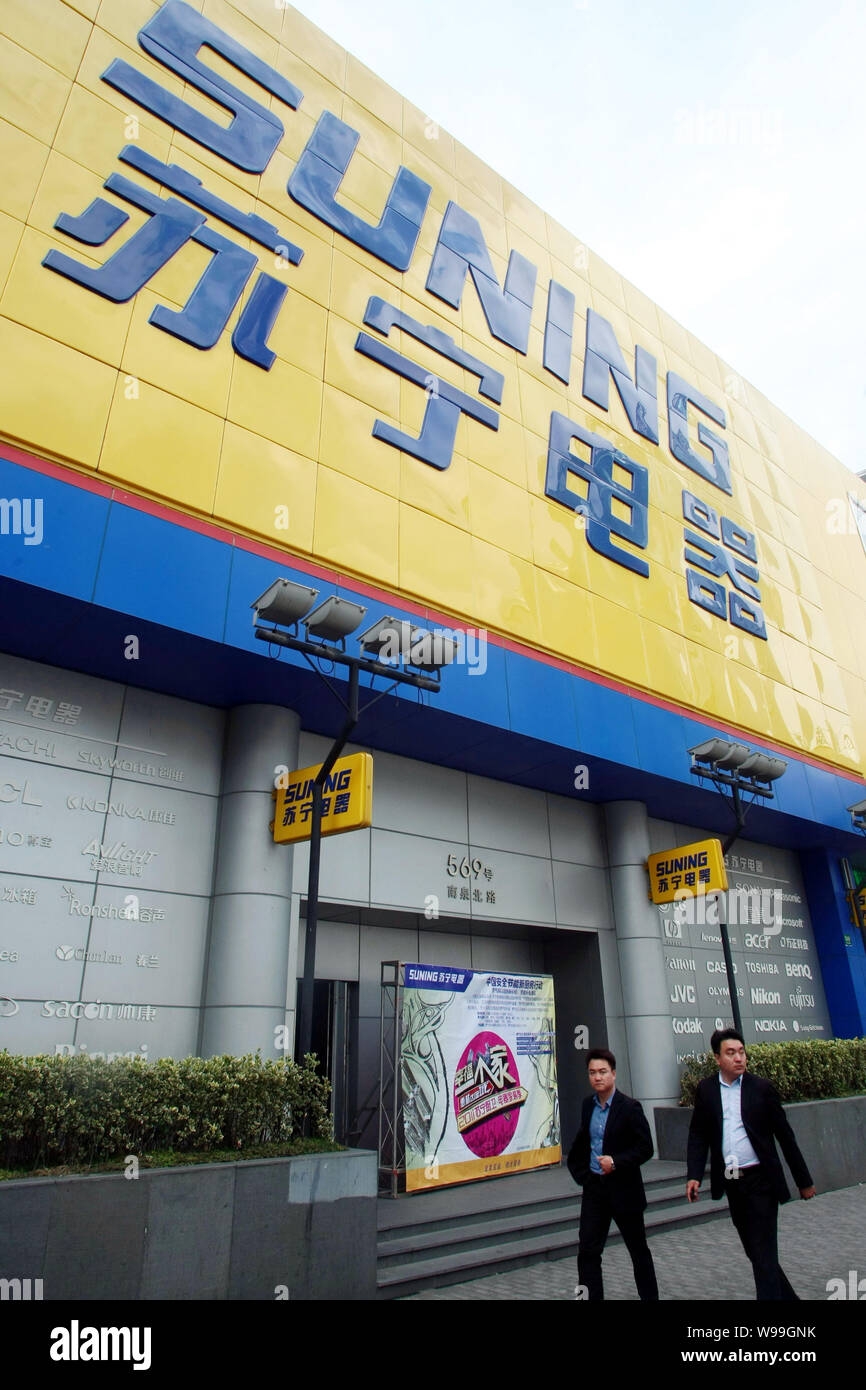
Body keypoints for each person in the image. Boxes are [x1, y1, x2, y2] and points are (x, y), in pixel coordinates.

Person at [686, 1028, 816, 1300]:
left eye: (741, 1052)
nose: (738, 1058)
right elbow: (698, 1134)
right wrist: (694, 1175)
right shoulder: (707, 1090)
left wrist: (804, 1181)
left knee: (764, 1250)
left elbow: (785, 1136)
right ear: (717, 1059)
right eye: (730, 1053)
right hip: (732, 1181)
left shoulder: (761, 1088)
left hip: (761, 1180)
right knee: (756, 1252)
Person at [567, 1048, 659, 1300]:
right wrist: (583, 1174)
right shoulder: (588, 1105)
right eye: (592, 1073)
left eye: (603, 1072)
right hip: (595, 1191)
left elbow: (645, 1148)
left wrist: (616, 1162)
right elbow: (582, 1142)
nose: (597, 1077)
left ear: (614, 1074)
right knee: (587, 1251)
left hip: (624, 1191)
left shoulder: (630, 1107)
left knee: (638, 1252)